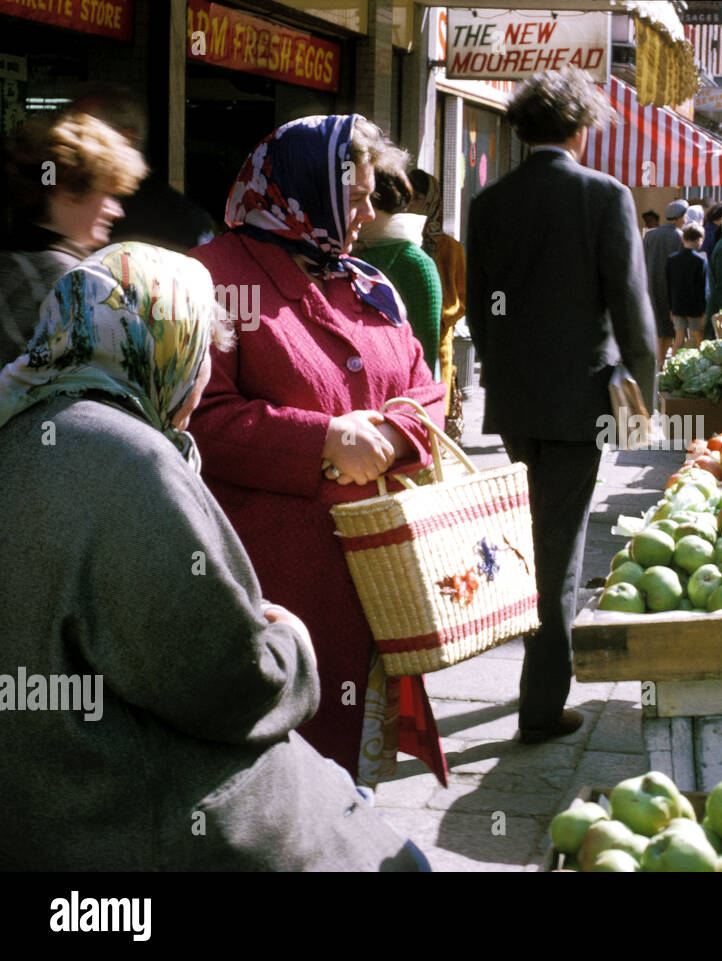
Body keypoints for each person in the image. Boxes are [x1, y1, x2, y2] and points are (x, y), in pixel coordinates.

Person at [0, 242, 426, 870]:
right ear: (165, 349)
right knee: (398, 858)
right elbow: (227, 682)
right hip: (126, 814)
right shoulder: (128, 457)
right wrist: (292, 649)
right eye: (205, 352)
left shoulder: (25, 422)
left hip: (51, 795)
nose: (205, 376)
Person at [187, 115, 450, 789]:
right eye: (354, 196)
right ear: (302, 190)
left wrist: (393, 435)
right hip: (276, 587)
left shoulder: (367, 283)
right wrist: (326, 441)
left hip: (380, 584)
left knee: (356, 779)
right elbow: (200, 419)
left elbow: (427, 386)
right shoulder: (212, 279)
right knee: (283, 784)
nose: (367, 213)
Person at [465, 69, 657, 744]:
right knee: (561, 544)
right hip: (581, 398)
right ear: (580, 129)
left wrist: (500, 368)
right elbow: (631, 309)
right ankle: (542, 703)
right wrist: (646, 397)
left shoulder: (489, 203)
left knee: (533, 533)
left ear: (520, 129)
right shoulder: (604, 196)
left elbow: (484, 308)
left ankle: (531, 667)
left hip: (516, 400)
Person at [0, 112, 146, 367]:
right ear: (67, 189)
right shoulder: (72, 283)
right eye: (108, 193)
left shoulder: (11, 263)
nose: (117, 210)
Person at [71, 86, 216, 251]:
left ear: (126, 139)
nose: (66, 137)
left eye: (82, 131)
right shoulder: (60, 191)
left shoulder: (182, 220)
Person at [354, 159, 443, 380]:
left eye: (359, 199)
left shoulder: (416, 264)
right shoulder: (334, 253)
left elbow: (425, 362)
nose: (359, 212)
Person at [409, 168, 468, 438]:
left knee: (434, 416)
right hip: (404, 336)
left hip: (437, 339)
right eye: (406, 196)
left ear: (431, 200)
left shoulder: (450, 247)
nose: (410, 203)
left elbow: (464, 297)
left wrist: (443, 316)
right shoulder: (396, 240)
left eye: (417, 197)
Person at [644, 198, 687, 369]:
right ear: (679, 217)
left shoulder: (650, 234)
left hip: (651, 283)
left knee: (656, 325)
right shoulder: (680, 236)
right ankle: (661, 363)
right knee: (670, 327)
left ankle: (658, 362)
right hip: (671, 286)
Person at [667, 224, 709, 351]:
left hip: (677, 305)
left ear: (683, 238)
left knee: (678, 339)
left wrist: (670, 308)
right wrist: (704, 311)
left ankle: (672, 368)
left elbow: (669, 285)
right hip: (695, 307)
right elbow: (702, 289)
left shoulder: (671, 260)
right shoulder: (700, 261)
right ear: (699, 240)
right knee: (699, 339)